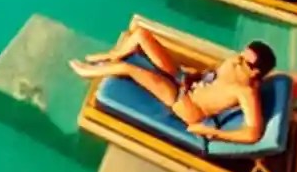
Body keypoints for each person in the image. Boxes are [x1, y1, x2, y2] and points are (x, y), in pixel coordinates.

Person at [69, 17, 277, 143]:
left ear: (255, 72)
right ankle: (112, 55)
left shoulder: (246, 92)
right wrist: (194, 75)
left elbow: (252, 133)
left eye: (244, 62)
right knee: (141, 35)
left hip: (184, 103)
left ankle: (87, 72)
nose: (237, 60)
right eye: (241, 55)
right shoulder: (233, 64)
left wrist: (210, 131)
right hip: (185, 81)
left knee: (128, 69)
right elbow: (212, 76)